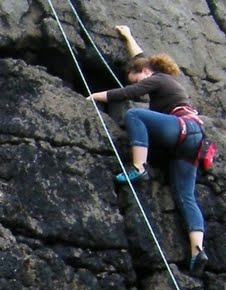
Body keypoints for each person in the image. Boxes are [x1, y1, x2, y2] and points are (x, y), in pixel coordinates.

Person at [87, 25, 211, 276]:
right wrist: (129, 36)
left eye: (137, 76)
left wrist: (94, 97)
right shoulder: (161, 78)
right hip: (192, 142)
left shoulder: (158, 79)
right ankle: (197, 250)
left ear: (146, 72)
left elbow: (130, 91)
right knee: (185, 197)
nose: (139, 84)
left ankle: (138, 167)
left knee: (135, 115)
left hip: (182, 129)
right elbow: (139, 58)